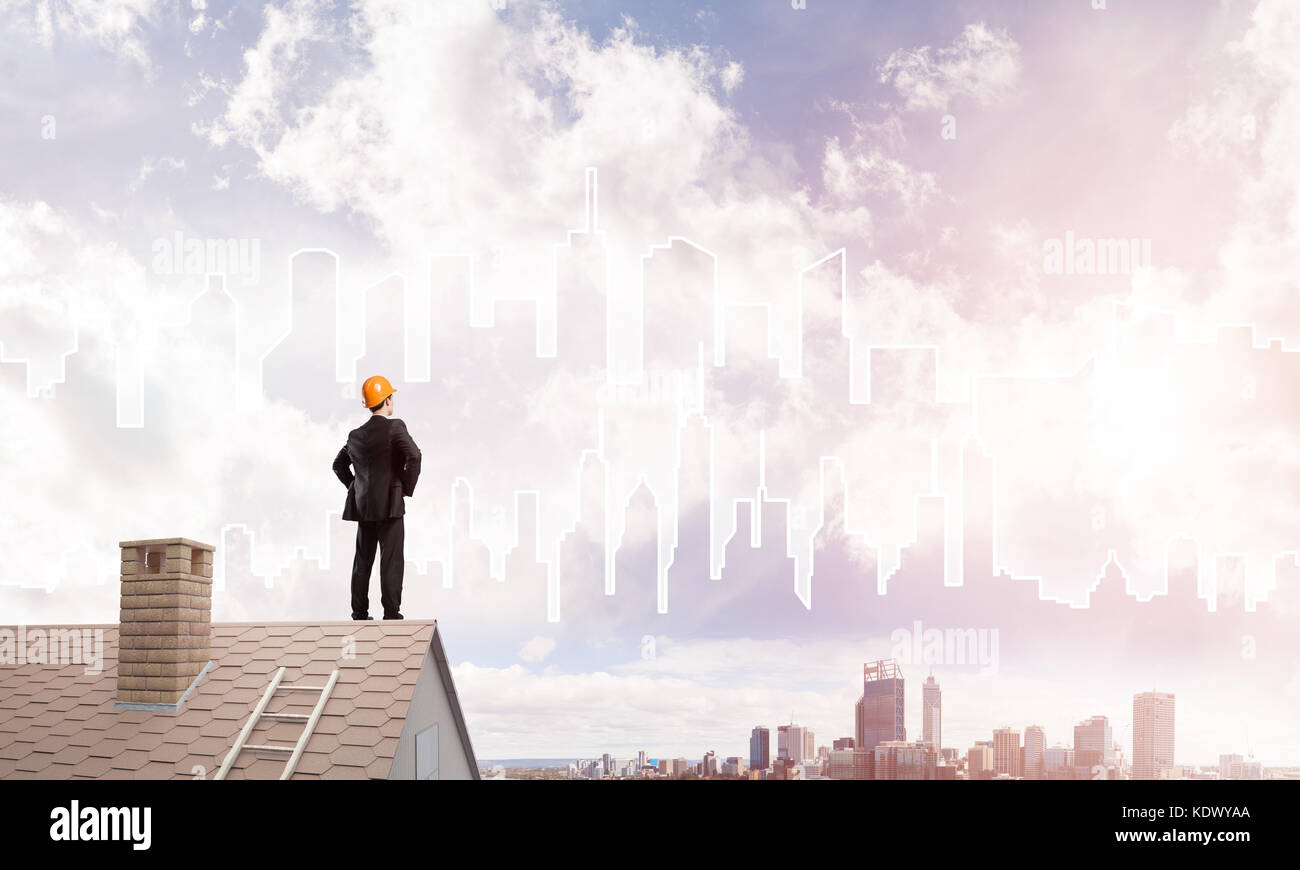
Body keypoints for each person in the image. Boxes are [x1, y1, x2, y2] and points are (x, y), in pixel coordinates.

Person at [332, 375, 421, 620]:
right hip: (390, 506)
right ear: (388, 400)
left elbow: (338, 465)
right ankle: (391, 613)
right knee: (390, 561)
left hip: (364, 507)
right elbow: (414, 456)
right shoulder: (395, 427)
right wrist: (405, 487)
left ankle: (359, 612)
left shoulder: (355, 435)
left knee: (363, 561)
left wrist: (356, 487)